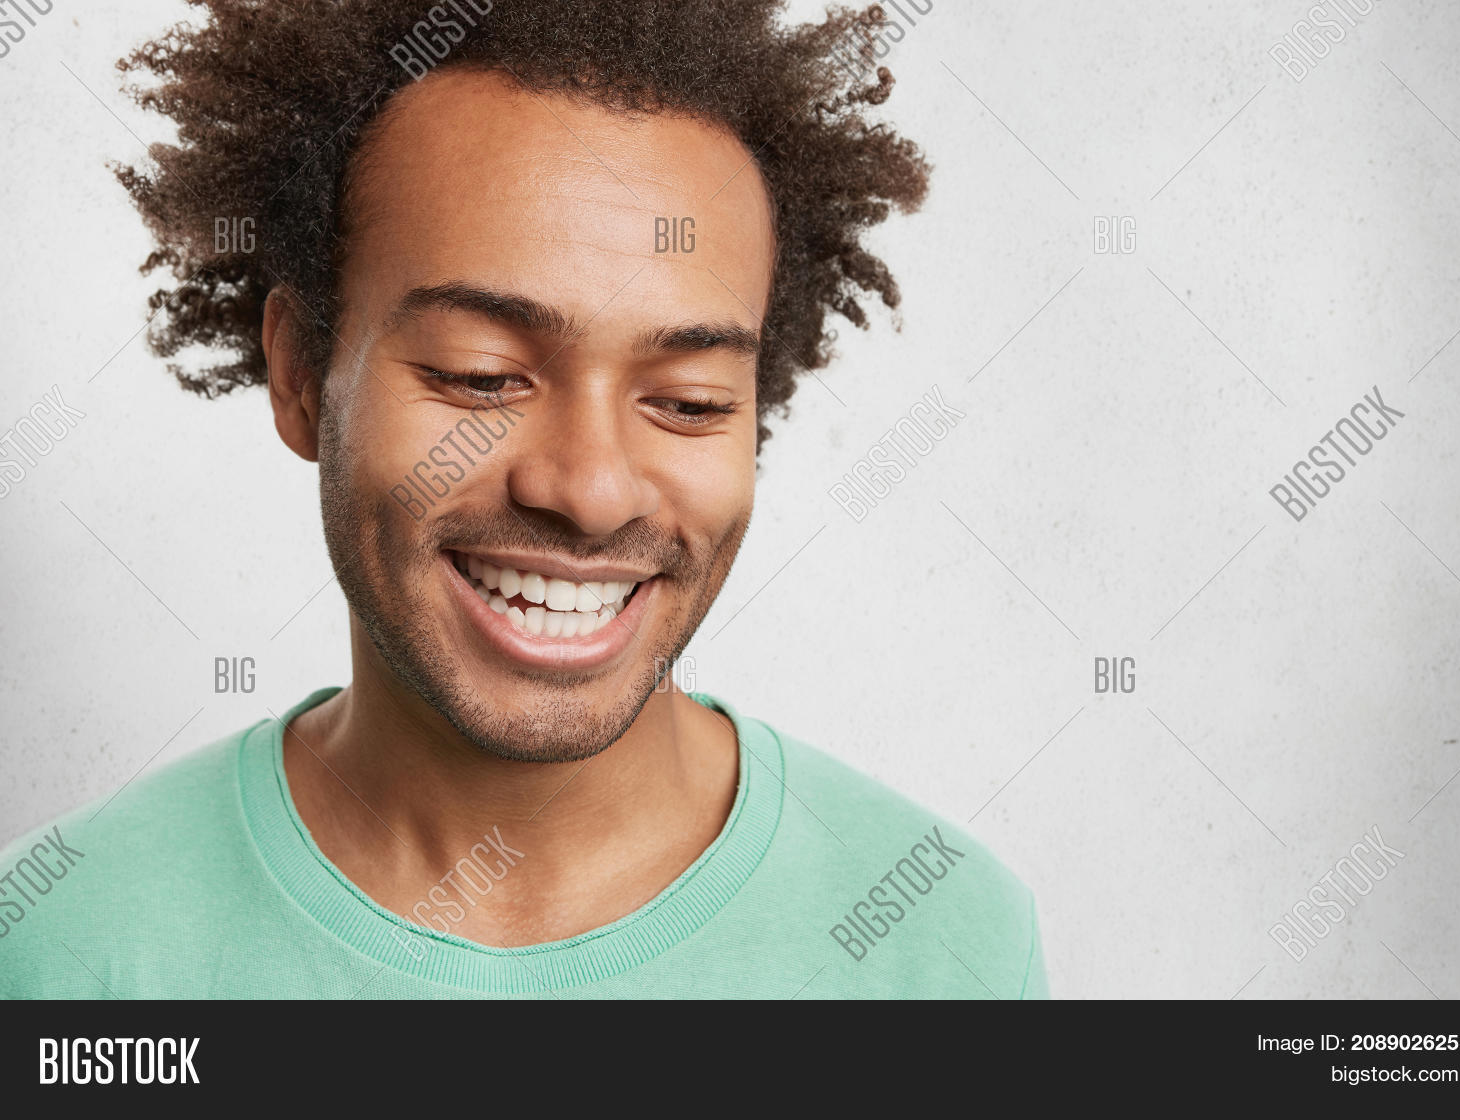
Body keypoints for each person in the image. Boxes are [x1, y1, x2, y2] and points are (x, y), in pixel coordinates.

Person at [0, 0, 1045, 998]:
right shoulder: (55, 948)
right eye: (483, 376)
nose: (590, 490)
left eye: (688, 400)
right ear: (302, 376)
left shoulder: (940, 948)